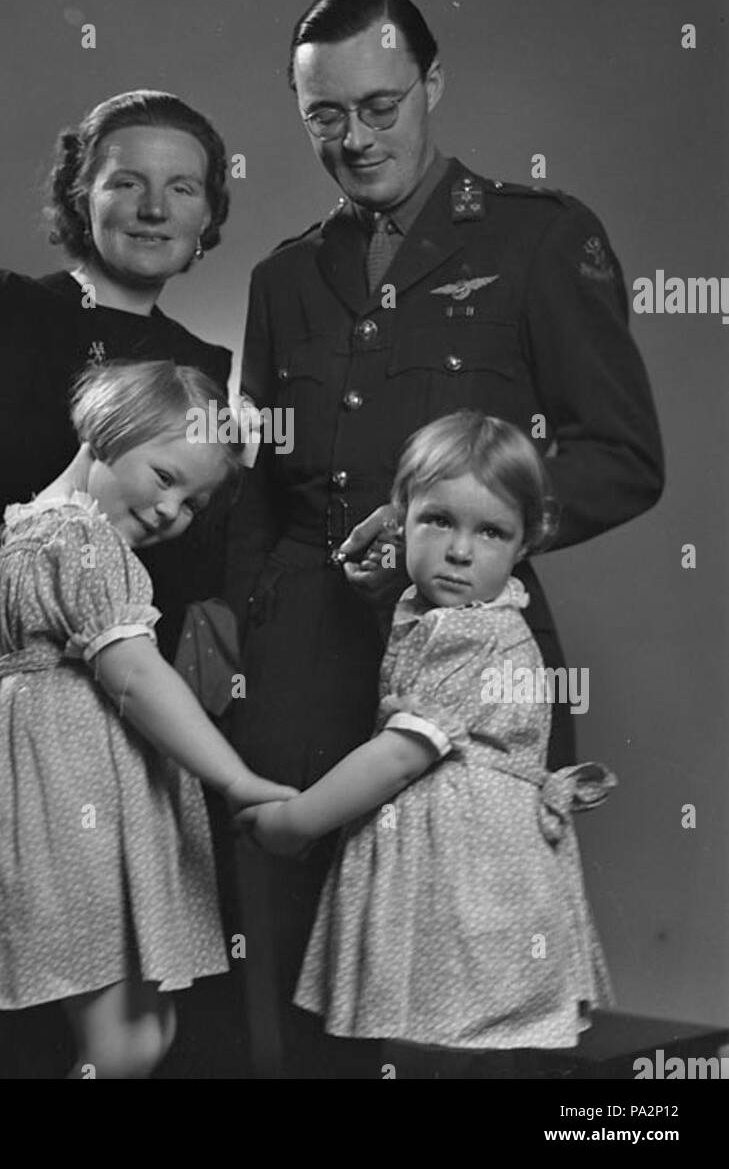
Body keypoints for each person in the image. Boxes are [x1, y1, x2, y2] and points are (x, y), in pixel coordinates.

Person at [224, 0, 663, 1076]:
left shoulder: (537, 237)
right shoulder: (283, 275)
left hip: (468, 666)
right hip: (305, 658)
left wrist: (471, 526)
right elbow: (261, 483)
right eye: (324, 114)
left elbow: (621, 453)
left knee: (478, 995)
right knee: (311, 980)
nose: (355, 137)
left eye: (379, 105)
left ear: (432, 85)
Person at [0, 90, 238, 1079]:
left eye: (182, 187)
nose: (154, 207)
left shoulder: (201, 368)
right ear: (81, 193)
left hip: (133, 713)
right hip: (14, 703)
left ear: (208, 216)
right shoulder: (12, 311)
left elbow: (198, 558)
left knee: (130, 983)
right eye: (126, 182)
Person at [0, 361, 294, 1078]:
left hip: (56, 808)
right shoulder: (82, 541)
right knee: (126, 1042)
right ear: (107, 435)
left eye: (192, 502)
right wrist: (235, 780)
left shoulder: (25, 531)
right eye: (164, 477)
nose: (170, 512)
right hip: (75, 818)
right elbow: (132, 672)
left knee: (141, 1033)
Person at [238, 411, 615, 1077]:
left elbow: (401, 752)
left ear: (525, 543)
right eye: (436, 521)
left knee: (438, 1037)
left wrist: (296, 820)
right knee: (443, 1041)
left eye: (490, 532)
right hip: (470, 861)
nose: (460, 551)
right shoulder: (466, 615)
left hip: (462, 869)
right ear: (398, 519)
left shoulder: (469, 634)